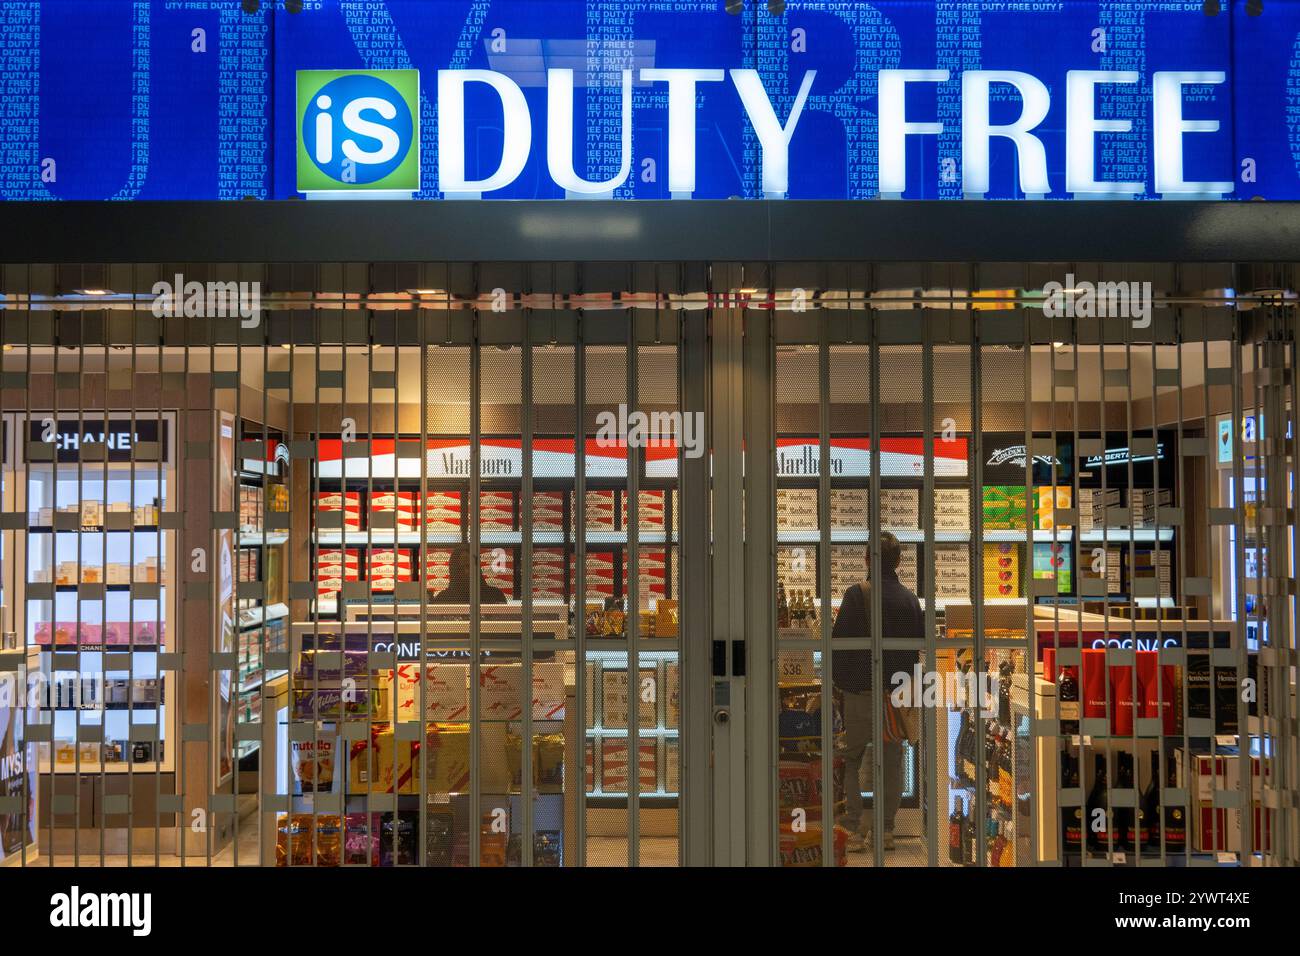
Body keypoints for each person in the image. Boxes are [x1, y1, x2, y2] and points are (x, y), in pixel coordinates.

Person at [832, 531, 923, 852]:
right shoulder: (911, 600)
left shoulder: (856, 596)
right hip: (896, 697)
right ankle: (885, 830)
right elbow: (917, 652)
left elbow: (838, 647)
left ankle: (854, 830)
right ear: (898, 561)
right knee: (892, 761)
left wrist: (841, 686)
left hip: (860, 694)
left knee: (852, 758)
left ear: (867, 560)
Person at [430, 544, 507, 604]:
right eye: (460, 568)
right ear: (454, 571)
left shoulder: (495, 596)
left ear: (477, 568)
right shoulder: (443, 599)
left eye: (469, 566)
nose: (466, 571)